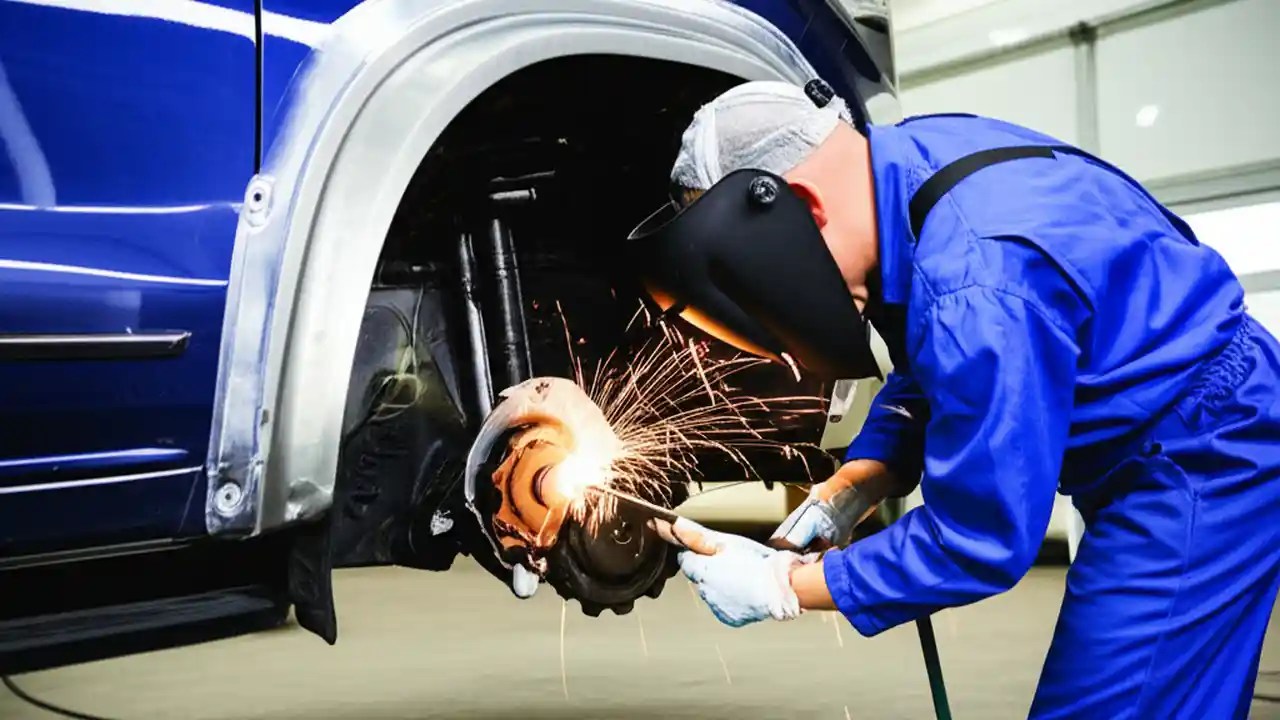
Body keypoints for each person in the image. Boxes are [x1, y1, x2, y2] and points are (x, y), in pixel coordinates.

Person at [622, 78, 1280, 718]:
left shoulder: (975, 281)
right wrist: (856, 483)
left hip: (1204, 454)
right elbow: (933, 357)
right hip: (1182, 424)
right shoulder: (913, 164)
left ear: (801, 206)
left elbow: (979, 539)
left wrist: (782, 586)